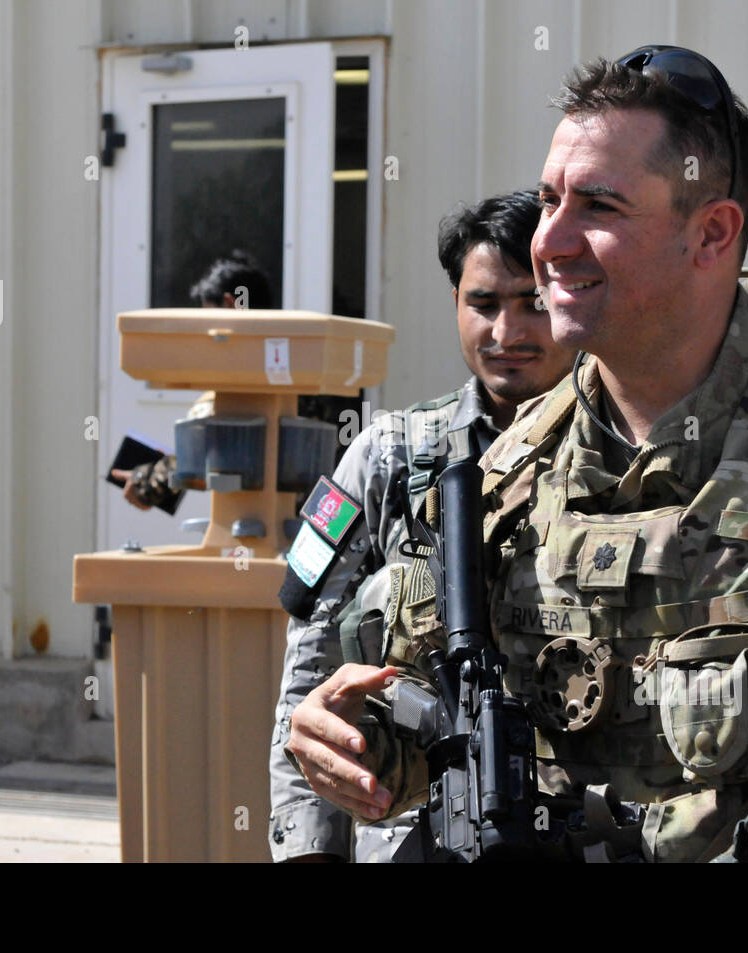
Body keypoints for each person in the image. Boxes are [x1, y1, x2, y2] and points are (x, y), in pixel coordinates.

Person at [285, 47, 748, 862]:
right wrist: (358, 737)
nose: (551, 242)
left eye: (599, 206)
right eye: (549, 200)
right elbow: (442, 726)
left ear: (712, 232)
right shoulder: (506, 479)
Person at [268, 190, 576, 861]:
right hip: (414, 829)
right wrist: (310, 849)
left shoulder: (617, 460)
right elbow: (310, 674)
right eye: (484, 304)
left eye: (534, 303)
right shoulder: (389, 455)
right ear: (456, 305)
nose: (507, 333)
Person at [112, 250, 271, 511]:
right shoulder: (289, 361)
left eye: (207, 318)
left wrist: (146, 482)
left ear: (231, 304)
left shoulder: (248, 371)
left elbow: (204, 446)